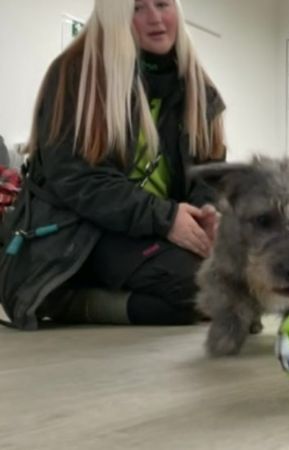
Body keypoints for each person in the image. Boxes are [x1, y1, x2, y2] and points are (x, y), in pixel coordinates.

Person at [0, 0, 226, 330]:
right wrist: (165, 219)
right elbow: (78, 180)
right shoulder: (76, 72)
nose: (155, 20)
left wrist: (205, 214)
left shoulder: (198, 87)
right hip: (81, 229)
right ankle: (65, 299)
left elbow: (211, 172)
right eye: (137, 8)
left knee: (238, 276)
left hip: (149, 226)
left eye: (162, 4)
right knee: (196, 288)